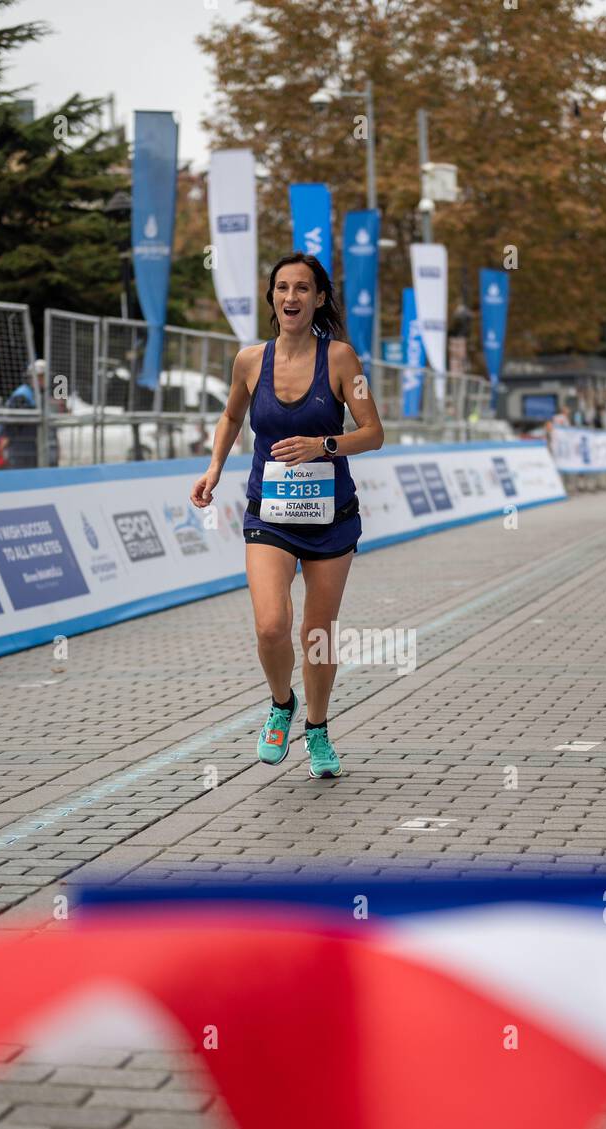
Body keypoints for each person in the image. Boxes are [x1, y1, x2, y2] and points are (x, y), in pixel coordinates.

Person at [190, 252, 384, 779]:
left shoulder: (343, 360)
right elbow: (232, 415)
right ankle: (281, 704)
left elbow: (373, 432)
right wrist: (213, 470)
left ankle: (317, 730)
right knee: (272, 626)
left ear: (319, 298)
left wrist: (324, 444)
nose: (291, 297)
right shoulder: (250, 361)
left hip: (331, 519)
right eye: (282, 288)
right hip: (269, 516)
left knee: (316, 634)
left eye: (302, 288)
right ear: (272, 297)